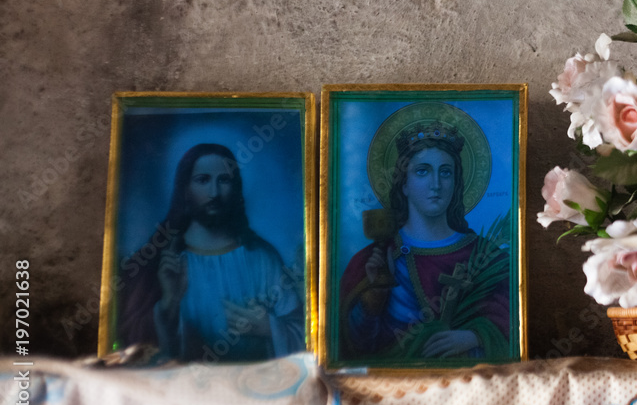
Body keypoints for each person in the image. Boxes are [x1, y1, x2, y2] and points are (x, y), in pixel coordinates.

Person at [118, 143, 305, 362]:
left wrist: (269, 327)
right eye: (203, 180)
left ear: (235, 188)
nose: (214, 193)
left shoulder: (262, 258)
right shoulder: (163, 261)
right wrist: (170, 302)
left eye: (224, 180)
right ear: (185, 188)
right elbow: (131, 342)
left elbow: (304, 336)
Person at [340, 121, 511, 360]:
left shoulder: (487, 258)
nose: (436, 185)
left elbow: (510, 326)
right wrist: (373, 298)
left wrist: (474, 337)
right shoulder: (375, 261)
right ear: (404, 183)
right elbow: (354, 349)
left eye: (446, 172)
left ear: (456, 183)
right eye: (423, 171)